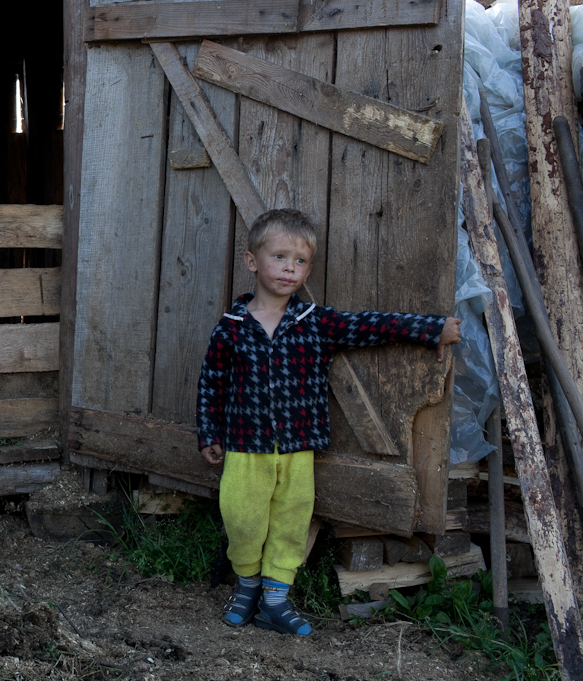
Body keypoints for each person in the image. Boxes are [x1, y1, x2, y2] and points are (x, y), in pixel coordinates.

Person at [196, 208, 462, 636]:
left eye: (300, 261)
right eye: (279, 257)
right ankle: (246, 584)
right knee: (242, 519)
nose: (289, 268)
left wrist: (431, 329)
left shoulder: (314, 323)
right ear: (252, 262)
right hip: (245, 447)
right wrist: (209, 433)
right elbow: (212, 382)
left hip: (299, 449)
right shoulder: (230, 328)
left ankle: (275, 601)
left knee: (290, 522)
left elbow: (372, 325)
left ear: (308, 269)